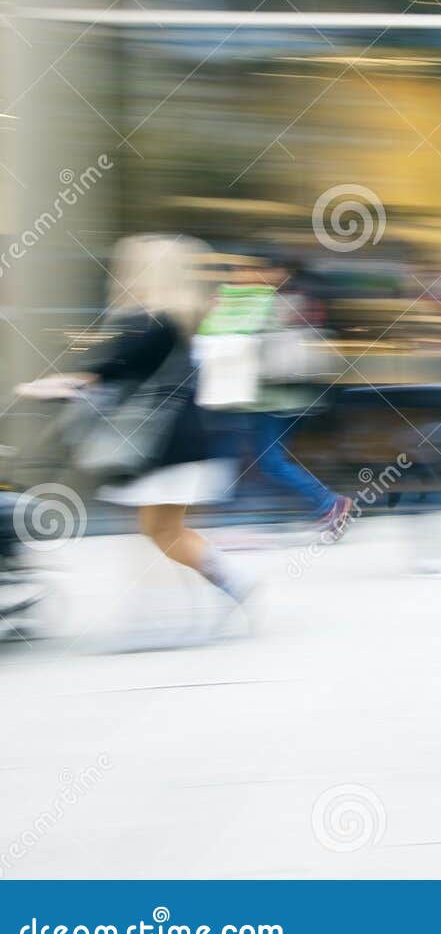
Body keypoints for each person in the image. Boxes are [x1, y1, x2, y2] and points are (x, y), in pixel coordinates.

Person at [49, 236, 254, 646]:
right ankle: (198, 598)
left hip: (162, 448)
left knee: (162, 532)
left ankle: (204, 595)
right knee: (160, 530)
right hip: (183, 443)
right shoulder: (175, 321)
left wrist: (61, 382)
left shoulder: (150, 321)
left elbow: (112, 368)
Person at [197, 253, 352, 535]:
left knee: (269, 461)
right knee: (255, 456)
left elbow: (248, 344)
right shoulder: (271, 300)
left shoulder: (275, 302)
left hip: (276, 400)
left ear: (274, 272)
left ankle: (329, 503)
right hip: (265, 398)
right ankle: (309, 506)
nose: (240, 274)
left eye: (248, 269)